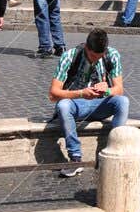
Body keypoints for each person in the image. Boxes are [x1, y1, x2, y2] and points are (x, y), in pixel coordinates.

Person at [50, 29, 130, 177]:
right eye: (93, 56)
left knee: (123, 102)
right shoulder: (69, 56)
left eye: (99, 57)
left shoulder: (112, 55)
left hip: (99, 104)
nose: (95, 60)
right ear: (87, 47)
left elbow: (119, 90)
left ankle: (116, 150)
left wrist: (106, 90)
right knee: (63, 106)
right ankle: (75, 158)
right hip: (76, 104)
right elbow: (53, 94)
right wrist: (81, 93)